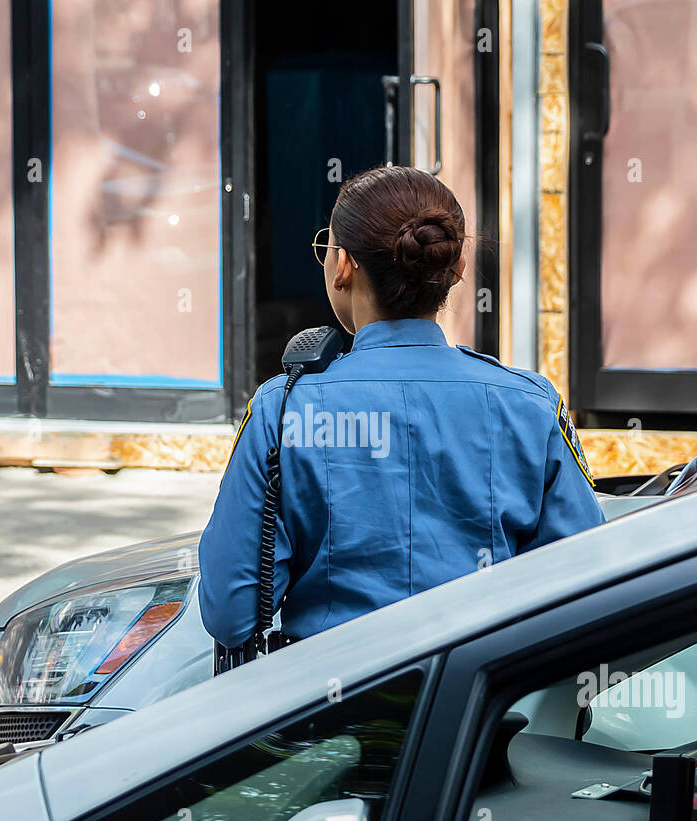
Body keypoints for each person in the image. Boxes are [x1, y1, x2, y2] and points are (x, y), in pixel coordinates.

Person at [198, 165, 604, 653]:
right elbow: (585, 591)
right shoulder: (531, 405)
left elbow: (232, 614)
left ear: (343, 264)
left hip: (324, 717)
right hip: (481, 719)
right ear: (453, 271)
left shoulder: (283, 410)